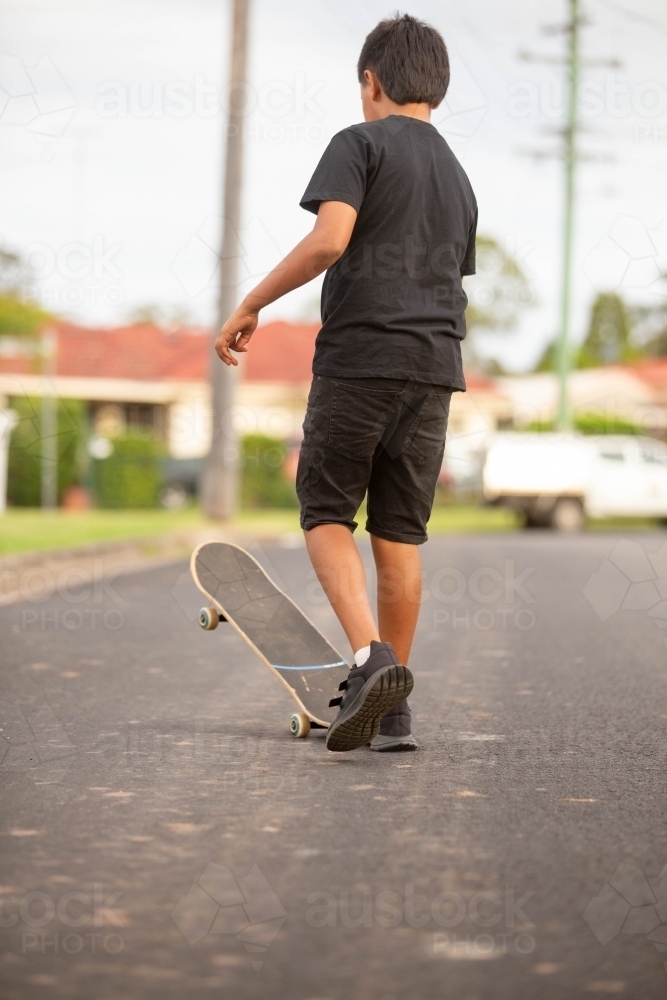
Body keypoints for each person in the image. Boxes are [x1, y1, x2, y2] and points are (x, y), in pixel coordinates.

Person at [214, 14, 477, 753]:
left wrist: (251, 302)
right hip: (434, 369)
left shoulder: (357, 142)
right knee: (399, 533)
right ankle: (393, 712)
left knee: (325, 511)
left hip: (361, 359)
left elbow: (330, 239)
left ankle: (370, 662)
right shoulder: (458, 177)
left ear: (372, 81)